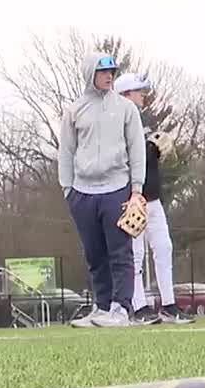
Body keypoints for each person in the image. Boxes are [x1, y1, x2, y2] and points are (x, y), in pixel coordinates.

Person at [59, 53, 146, 329]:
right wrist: (68, 190)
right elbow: (66, 151)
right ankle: (102, 305)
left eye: (112, 71)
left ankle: (121, 307)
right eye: (103, 71)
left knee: (120, 251)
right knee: (94, 253)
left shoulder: (126, 109)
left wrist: (136, 189)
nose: (109, 76)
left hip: (116, 188)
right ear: (90, 74)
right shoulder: (75, 110)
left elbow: (137, 149)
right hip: (83, 192)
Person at [114, 73, 193, 325]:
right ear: (125, 95)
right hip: (133, 199)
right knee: (135, 256)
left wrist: (154, 152)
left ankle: (168, 305)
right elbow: (129, 159)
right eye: (138, 92)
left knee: (163, 248)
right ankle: (139, 307)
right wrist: (152, 150)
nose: (142, 96)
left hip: (153, 198)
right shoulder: (119, 121)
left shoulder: (142, 121)